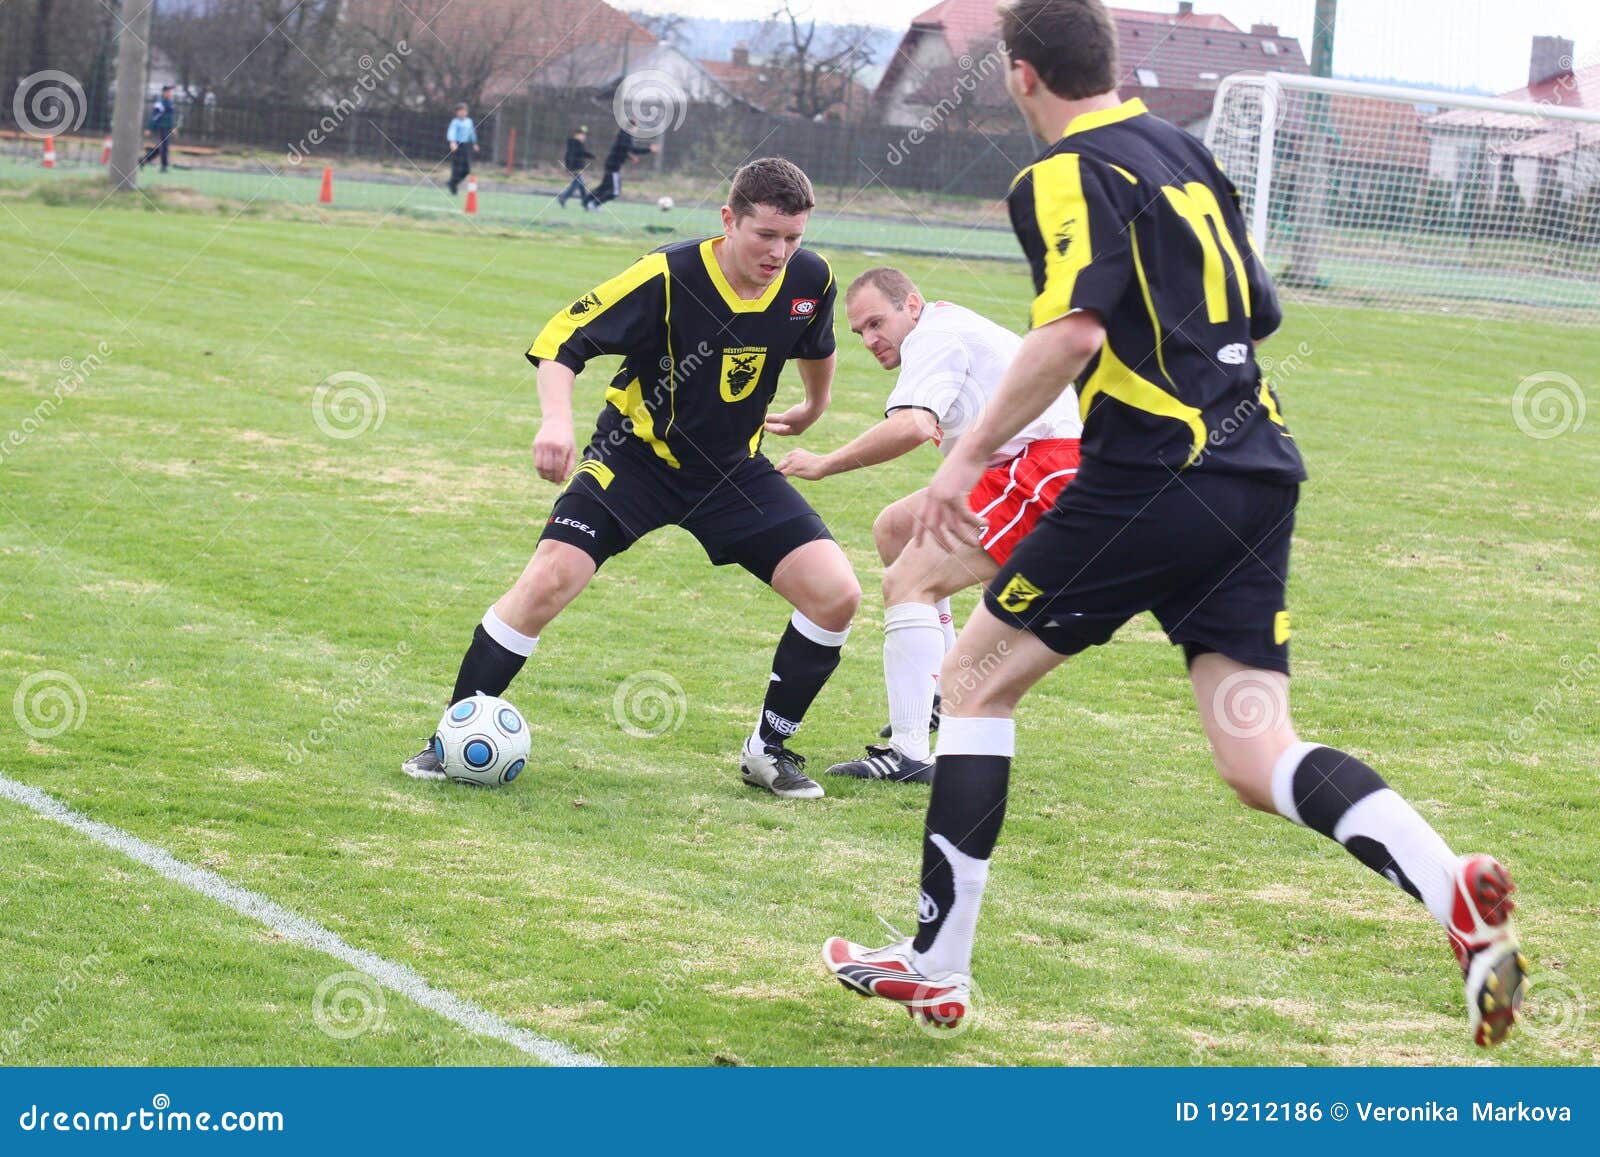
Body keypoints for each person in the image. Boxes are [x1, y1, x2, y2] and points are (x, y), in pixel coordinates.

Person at [822, 0, 1526, 1047]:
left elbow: (1073, 330)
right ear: (1110, 58)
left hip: (1149, 473)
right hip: (1255, 471)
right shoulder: (1186, 153)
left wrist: (962, 459)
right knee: (1256, 755)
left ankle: (937, 964)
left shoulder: (1061, 173)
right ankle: (1449, 892)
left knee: (967, 683)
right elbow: (1257, 310)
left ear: (1020, 74)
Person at [402, 157, 858, 800]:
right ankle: (448, 738)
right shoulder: (668, 276)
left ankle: (768, 749)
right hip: (635, 459)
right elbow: (563, 340)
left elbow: (817, 341)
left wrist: (815, 409)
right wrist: (555, 423)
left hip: (732, 471)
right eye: (766, 236)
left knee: (836, 593)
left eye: (793, 238)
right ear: (729, 220)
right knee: (549, 579)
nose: (780, 253)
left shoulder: (810, 277)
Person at [776, 268, 1081, 785]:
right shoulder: (945, 324)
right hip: (1021, 464)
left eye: (877, 323)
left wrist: (825, 462)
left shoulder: (933, 336)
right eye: (860, 333)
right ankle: (939, 693)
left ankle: (910, 752)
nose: (871, 340)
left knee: (907, 584)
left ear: (911, 305)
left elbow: (914, 426)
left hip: (1040, 469)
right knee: (896, 529)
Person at [586, 121, 656, 209]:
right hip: (613, 166)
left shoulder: (624, 136)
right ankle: (594, 204)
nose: (637, 130)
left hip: (611, 164)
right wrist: (649, 149)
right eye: (636, 127)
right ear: (632, 127)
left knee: (604, 187)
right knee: (615, 192)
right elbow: (633, 150)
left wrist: (631, 158)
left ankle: (586, 200)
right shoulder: (625, 137)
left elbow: (622, 150)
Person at [139, 85, 177, 171]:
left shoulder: (169, 103)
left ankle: (143, 161)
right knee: (164, 147)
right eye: (169, 92)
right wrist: (149, 128)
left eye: (171, 92)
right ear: (164, 93)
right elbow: (154, 117)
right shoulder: (160, 103)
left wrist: (172, 127)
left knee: (160, 148)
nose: (170, 93)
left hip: (167, 128)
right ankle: (164, 166)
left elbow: (170, 117)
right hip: (160, 127)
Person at [557, 126, 595, 208]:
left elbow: (581, 153)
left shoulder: (577, 144)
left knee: (581, 184)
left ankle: (585, 202)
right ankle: (563, 197)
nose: (584, 137)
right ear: (576, 134)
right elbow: (577, 154)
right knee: (577, 183)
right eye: (582, 134)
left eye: (585, 135)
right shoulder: (574, 143)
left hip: (576, 167)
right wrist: (568, 167)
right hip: (574, 167)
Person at [446, 103, 478, 195]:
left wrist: (475, 143)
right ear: (457, 113)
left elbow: (472, 132)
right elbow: (452, 132)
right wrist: (452, 142)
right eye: (460, 111)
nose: (463, 113)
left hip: (466, 146)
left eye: (464, 111)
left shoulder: (469, 121)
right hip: (458, 146)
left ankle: (452, 183)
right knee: (457, 168)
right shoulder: (455, 122)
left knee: (467, 169)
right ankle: (453, 187)